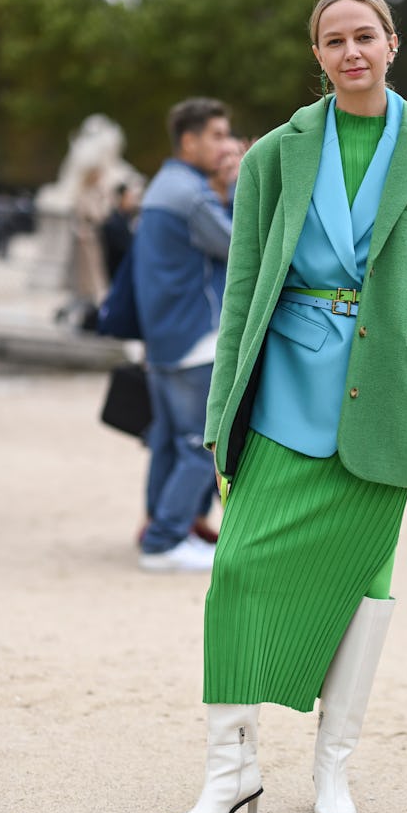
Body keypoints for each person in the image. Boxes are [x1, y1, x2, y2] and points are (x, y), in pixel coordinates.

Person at [157, 0, 407, 813]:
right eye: (334, 40)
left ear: (392, 43)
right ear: (318, 55)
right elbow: (241, 292)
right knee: (236, 571)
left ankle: (332, 771)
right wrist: (222, 411)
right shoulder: (274, 154)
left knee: (365, 591)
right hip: (283, 393)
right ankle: (231, 774)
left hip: (391, 402)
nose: (351, 52)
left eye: (365, 36)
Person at [133, 97, 238, 573]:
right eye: (218, 135)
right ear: (189, 141)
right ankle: (164, 542)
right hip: (195, 339)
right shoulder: (192, 195)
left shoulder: (163, 186)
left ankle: (163, 529)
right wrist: (238, 188)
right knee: (202, 447)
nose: (227, 145)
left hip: (163, 339)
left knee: (169, 443)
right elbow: (240, 245)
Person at [100, 182, 139, 281]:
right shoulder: (113, 222)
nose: (132, 201)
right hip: (118, 272)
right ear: (120, 198)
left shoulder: (129, 218)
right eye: (129, 198)